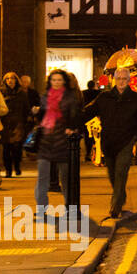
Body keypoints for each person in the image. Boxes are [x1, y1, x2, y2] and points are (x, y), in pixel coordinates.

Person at [83, 67, 137, 219]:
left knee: (121, 172)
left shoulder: (135, 98)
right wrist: (73, 121)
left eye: (124, 79)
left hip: (126, 141)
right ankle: (120, 195)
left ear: (129, 80)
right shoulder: (104, 97)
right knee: (112, 174)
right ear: (113, 80)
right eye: (118, 78)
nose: (121, 82)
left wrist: (136, 136)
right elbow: (88, 112)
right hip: (108, 141)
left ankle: (115, 205)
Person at [32, 70, 82, 214]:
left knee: (65, 177)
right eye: (54, 80)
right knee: (43, 176)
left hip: (62, 141)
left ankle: (69, 206)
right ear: (50, 82)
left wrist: (71, 128)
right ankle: (41, 208)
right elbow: (41, 118)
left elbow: (75, 117)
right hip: (46, 141)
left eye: (59, 80)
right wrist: (37, 112)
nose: (56, 83)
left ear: (64, 82)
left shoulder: (70, 98)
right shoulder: (45, 97)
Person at [0, 72, 27, 179]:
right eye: (7, 79)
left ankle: (17, 165)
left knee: (16, 147)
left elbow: (26, 108)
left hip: (18, 123)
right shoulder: (1, 93)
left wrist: (25, 122)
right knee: (6, 147)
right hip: (5, 123)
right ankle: (8, 170)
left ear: (16, 80)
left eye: (12, 78)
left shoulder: (21, 93)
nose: (10, 80)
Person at [81, 80, 100, 162]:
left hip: (86, 117)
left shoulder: (83, 93)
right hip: (95, 117)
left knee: (87, 136)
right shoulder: (98, 93)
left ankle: (88, 153)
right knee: (95, 136)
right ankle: (94, 153)